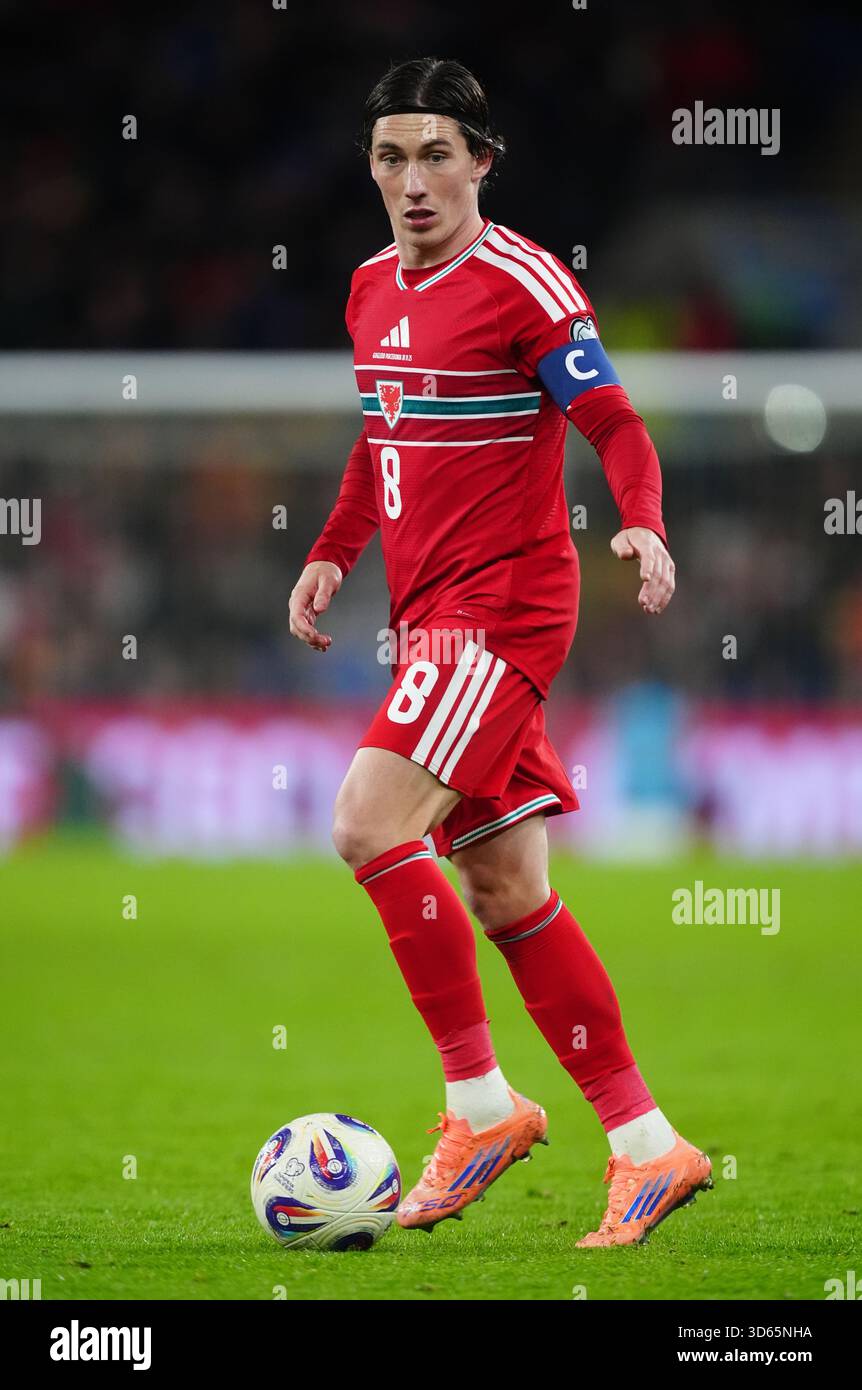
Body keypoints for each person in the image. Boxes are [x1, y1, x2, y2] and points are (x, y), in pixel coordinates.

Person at [289, 57, 711, 1246]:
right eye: (389, 157)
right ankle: (646, 1143)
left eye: (435, 155)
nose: (412, 182)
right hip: (427, 617)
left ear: (481, 160)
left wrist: (640, 516)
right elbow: (386, 432)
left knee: (369, 825)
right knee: (507, 889)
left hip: (503, 611)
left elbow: (614, 419)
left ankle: (478, 1104)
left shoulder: (525, 283)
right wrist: (331, 549)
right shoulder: (370, 286)